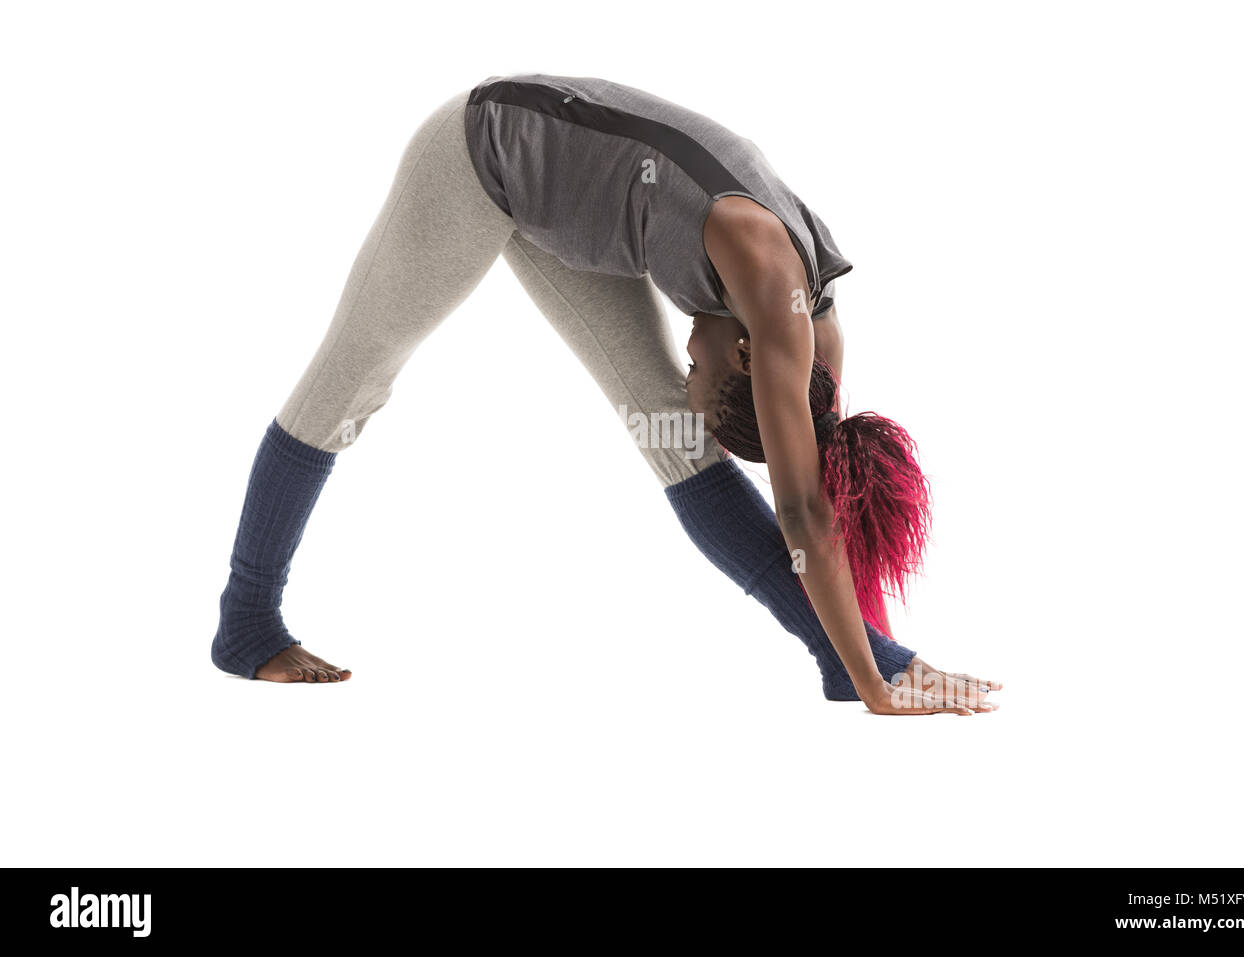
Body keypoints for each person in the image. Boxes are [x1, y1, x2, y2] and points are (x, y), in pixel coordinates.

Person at [211, 73, 1000, 715]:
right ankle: (246, 620)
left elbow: (823, 489)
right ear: (749, 351)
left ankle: (834, 650)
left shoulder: (812, 346)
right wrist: (878, 685)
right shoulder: (761, 274)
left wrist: (871, 650)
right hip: (482, 155)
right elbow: (800, 515)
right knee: (357, 374)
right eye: (704, 376)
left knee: (671, 435)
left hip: (579, 213)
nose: (689, 373)